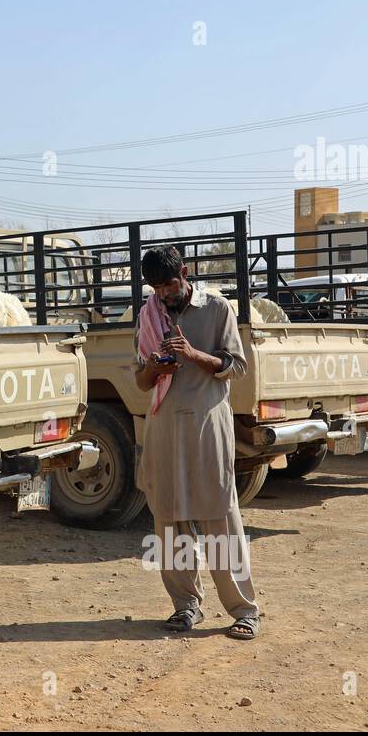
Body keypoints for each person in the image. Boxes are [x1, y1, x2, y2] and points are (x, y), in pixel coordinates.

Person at [132, 245, 260, 639]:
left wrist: (193, 355)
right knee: (169, 519)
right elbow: (141, 381)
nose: (165, 293)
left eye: (169, 283)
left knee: (219, 517)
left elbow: (236, 366)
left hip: (207, 428)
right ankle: (186, 606)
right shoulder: (148, 314)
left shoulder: (217, 308)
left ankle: (243, 611)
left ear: (185, 273)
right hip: (166, 428)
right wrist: (157, 365)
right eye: (156, 287)